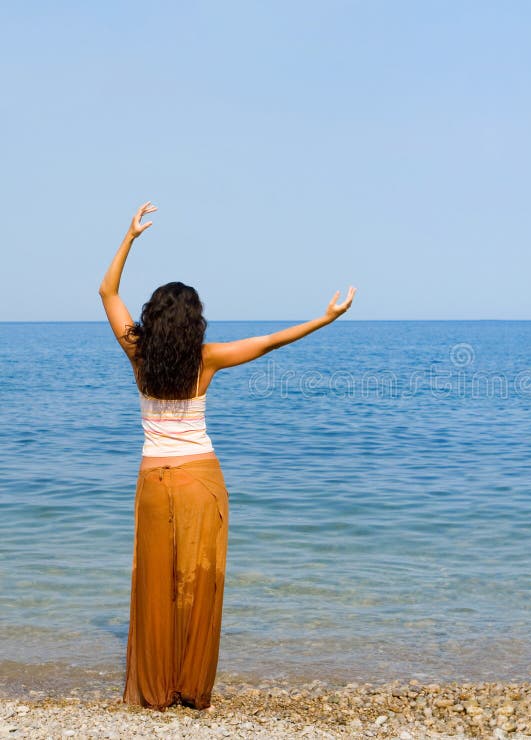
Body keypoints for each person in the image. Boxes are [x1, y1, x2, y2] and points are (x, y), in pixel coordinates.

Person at [98, 201, 356, 711]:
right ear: (195, 323)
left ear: (152, 317)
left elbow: (107, 292)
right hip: (202, 478)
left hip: (153, 480)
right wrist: (325, 319)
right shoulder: (206, 357)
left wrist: (128, 237)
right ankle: (191, 689)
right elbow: (269, 343)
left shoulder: (137, 352)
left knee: (155, 579)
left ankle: (155, 690)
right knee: (199, 578)